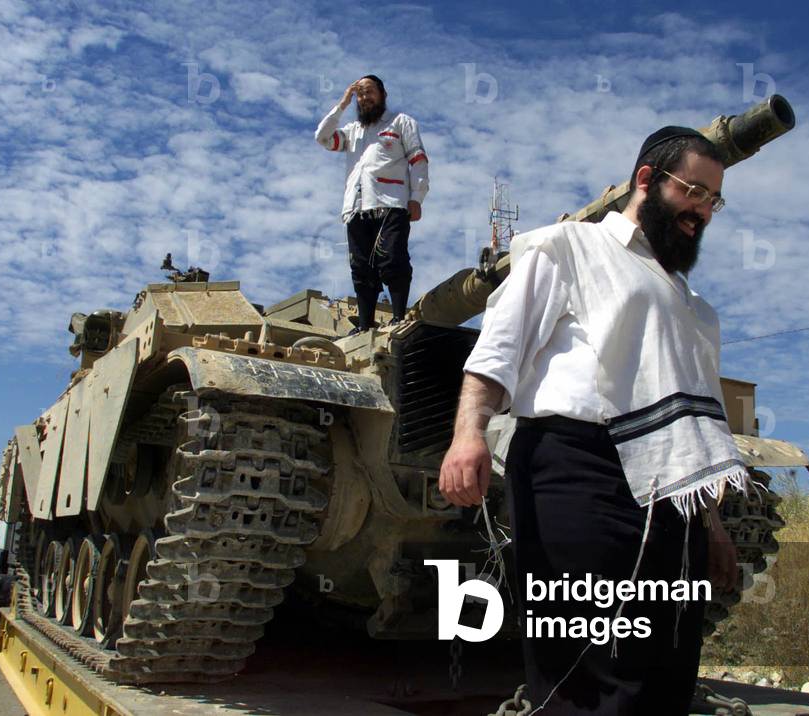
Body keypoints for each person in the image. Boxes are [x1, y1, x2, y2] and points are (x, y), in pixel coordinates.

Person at [439, 127, 744, 714]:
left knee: (667, 669)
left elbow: (694, 431)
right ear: (647, 179)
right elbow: (499, 350)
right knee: (592, 665)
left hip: (673, 498)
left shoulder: (693, 307)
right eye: (692, 191)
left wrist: (713, 525)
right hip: (579, 469)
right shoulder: (568, 247)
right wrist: (468, 433)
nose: (703, 211)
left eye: (713, 200)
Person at [314, 75, 429, 334]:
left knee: (392, 258)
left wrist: (416, 197)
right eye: (360, 94)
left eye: (369, 92)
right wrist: (342, 104)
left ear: (382, 94)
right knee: (361, 268)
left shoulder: (401, 122)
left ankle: (398, 317)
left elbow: (418, 160)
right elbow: (322, 137)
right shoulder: (353, 131)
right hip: (356, 208)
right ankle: (365, 326)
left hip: (391, 203)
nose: (365, 98)